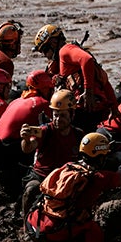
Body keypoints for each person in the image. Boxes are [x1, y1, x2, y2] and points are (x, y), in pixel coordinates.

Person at [33, 24, 120, 129]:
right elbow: (104, 81)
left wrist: (88, 91)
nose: (46, 56)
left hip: (85, 111)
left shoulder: (65, 50)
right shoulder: (62, 62)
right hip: (94, 110)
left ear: (53, 43)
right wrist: (115, 108)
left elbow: (87, 60)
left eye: (45, 50)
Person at [0, 69, 55, 195]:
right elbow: (56, 128)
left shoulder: (17, 100)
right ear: (45, 88)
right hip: (8, 151)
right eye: (49, 88)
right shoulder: (43, 103)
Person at [20, 89, 83, 217]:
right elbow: (28, 148)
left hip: (64, 178)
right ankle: (26, 224)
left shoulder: (78, 135)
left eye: (63, 115)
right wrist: (26, 139)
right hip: (41, 176)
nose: (58, 119)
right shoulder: (45, 131)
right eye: (56, 115)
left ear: (72, 115)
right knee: (31, 190)